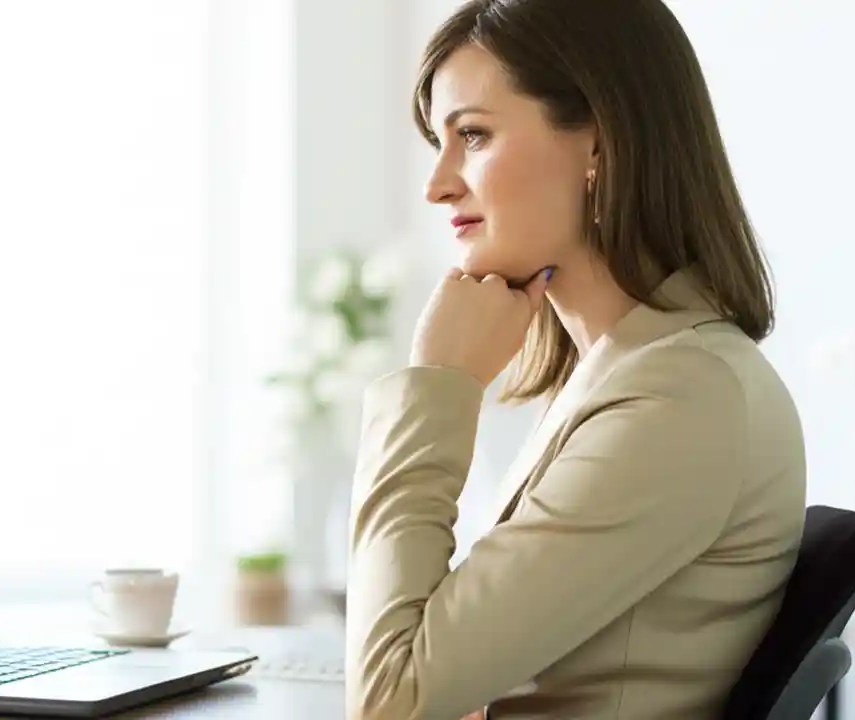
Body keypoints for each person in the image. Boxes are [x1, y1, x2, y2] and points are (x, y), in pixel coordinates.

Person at [343, 1, 806, 718]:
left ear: (599, 143)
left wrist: (438, 385)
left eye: (473, 134)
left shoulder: (679, 399)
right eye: (440, 141)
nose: (437, 184)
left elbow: (390, 700)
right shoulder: (627, 372)